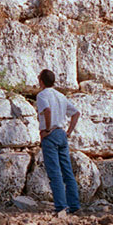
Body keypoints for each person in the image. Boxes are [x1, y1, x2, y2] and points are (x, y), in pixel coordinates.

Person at [35, 69, 81, 214]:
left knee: (54, 172)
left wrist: (47, 129)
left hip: (51, 134)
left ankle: (61, 206)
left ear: (41, 81)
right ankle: (74, 204)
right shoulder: (61, 96)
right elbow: (76, 113)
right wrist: (69, 132)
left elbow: (47, 111)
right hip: (62, 133)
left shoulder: (42, 95)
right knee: (67, 170)